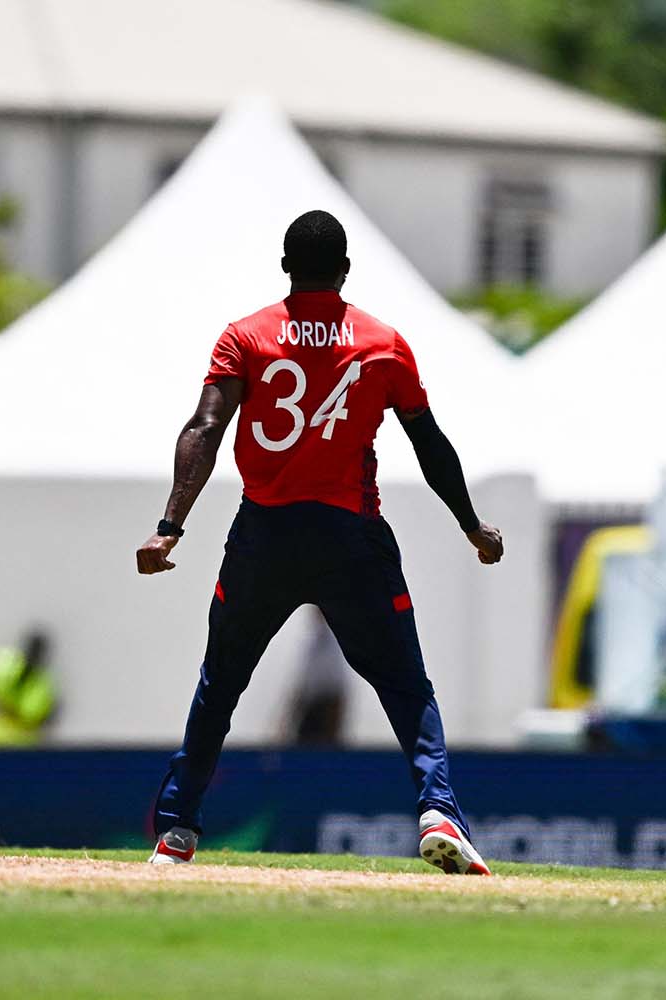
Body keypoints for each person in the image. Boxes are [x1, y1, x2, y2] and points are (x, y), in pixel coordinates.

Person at [136, 210, 505, 874]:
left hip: (264, 535)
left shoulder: (244, 336)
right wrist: (469, 524)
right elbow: (429, 443)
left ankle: (175, 832)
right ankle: (438, 812)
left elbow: (206, 426)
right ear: (344, 271)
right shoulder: (381, 344)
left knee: (220, 684)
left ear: (285, 267)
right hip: (350, 537)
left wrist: (170, 528)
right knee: (404, 686)